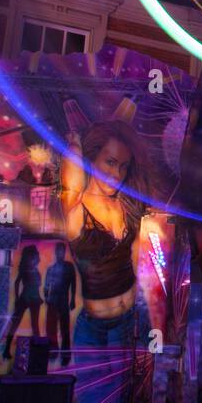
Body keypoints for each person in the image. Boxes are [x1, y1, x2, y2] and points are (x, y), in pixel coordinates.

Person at [59, 120, 153, 349]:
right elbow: (70, 181)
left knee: (127, 385)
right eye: (110, 162)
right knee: (95, 386)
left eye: (123, 166)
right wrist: (75, 145)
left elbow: (138, 263)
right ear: (91, 160)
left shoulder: (126, 206)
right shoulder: (76, 208)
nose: (116, 173)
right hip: (94, 329)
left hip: (131, 321)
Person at [3, 244, 42, 359]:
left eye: (35, 257)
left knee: (35, 326)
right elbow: (16, 283)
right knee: (15, 324)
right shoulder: (25, 270)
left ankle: (37, 353)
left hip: (34, 299)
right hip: (25, 298)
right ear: (28, 258)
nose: (34, 259)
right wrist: (16, 298)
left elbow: (37, 284)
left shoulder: (34, 270)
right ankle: (6, 350)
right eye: (32, 257)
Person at [43, 243, 78, 365]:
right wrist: (46, 297)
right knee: (51, 329)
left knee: (64, 330)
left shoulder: (69, 267)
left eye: (61, 251)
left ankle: (65, 356)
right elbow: (46, 286)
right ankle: (52, 353)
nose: (60, 253)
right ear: (55, 252)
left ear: (64, 252)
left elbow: (73, 283)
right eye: (58, 251)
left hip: (63, 301)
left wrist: (72, 299)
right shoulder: (51, 269)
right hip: (52, 301)